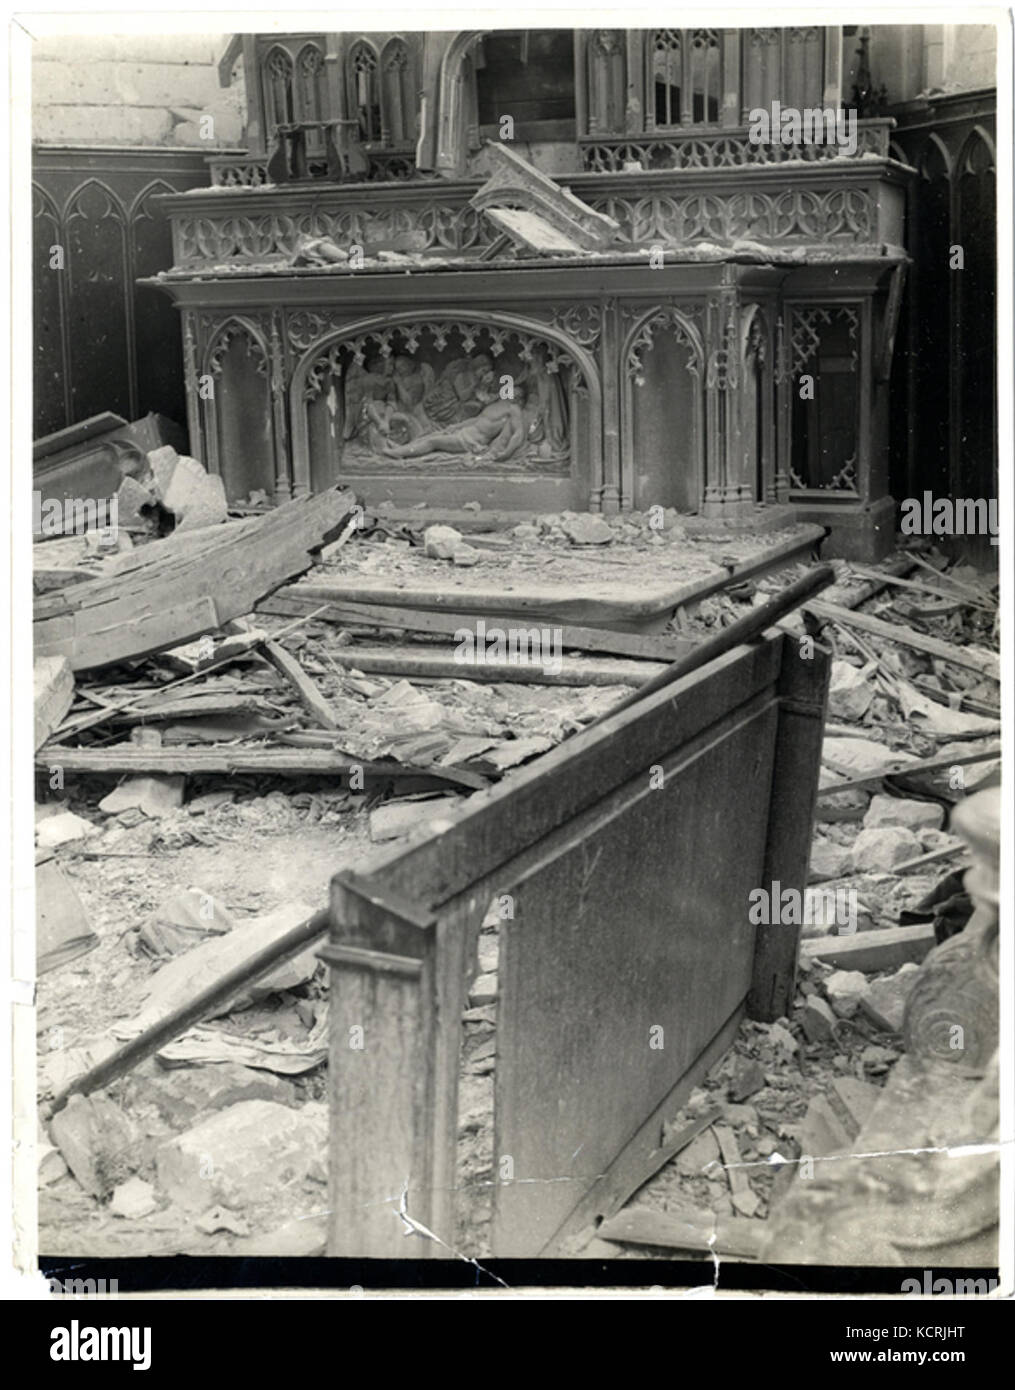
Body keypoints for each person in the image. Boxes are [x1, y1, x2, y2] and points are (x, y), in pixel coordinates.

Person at [382, 388, 530, 462]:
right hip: (464, 432)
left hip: (470, 441)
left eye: (513, 391)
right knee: (433, 434)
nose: (508, 391)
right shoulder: (497, 405)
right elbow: (476, 420)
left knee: (433, 442)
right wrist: (455, 427)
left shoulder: (513, 409)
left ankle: (398, 454)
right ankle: (403, 448)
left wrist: (506, 453)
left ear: (518, 398)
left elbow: (518, 433)